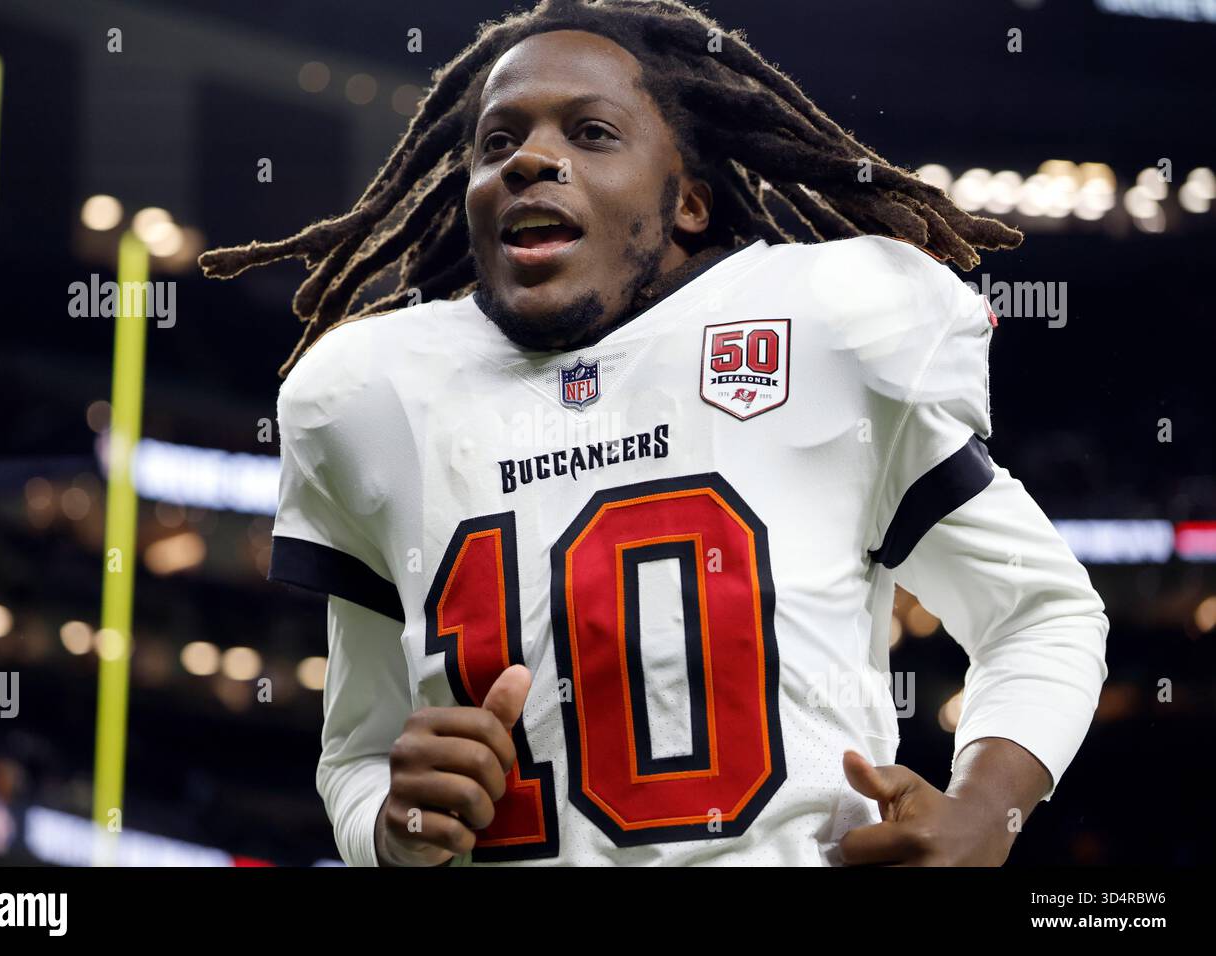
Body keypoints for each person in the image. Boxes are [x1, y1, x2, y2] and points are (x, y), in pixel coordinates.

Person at [200, 0, 1107, 866]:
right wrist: (393, 827)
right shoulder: (373, 397)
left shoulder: (825, 330)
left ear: (690, 204)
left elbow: (1041, 612)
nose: (528, 161)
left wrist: (988, 813)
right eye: (497, 143)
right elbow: (358, 756)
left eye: (590, 133)